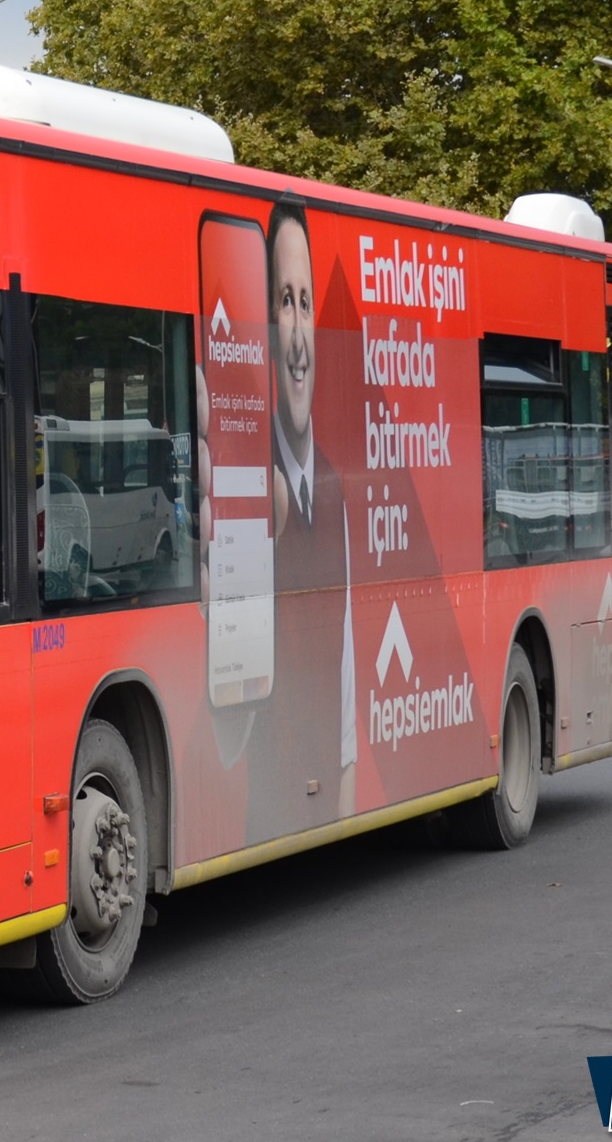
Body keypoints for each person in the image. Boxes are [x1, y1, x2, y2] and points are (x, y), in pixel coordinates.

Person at [244, 199, 357, 839]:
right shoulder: (246, 486)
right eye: (282, 302)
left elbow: (346, 707)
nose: (295, 333)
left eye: (305, 304)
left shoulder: (336, 486)